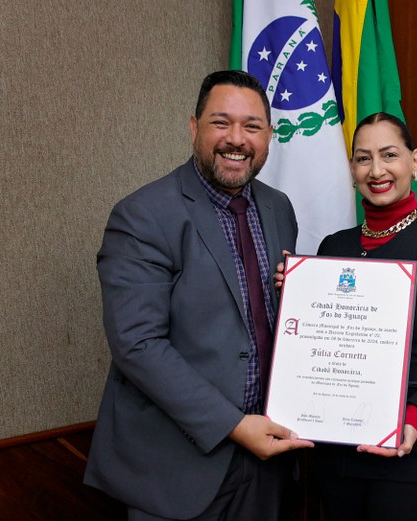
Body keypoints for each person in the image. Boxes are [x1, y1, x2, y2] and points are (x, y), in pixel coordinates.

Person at [84, 70, 313, 521]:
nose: (237, 139)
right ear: (194, 128)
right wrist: (232, 425)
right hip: (179, 466)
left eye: (252, 126)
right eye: (220, 122)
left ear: (269, 135)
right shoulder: (143, 215)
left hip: (270, 456)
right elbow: (138, 344)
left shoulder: (278, 207)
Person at [312, 112, 417, 521]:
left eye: (389, 155)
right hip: (335, 456)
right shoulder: (332, 248)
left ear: (416, 162)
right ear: (352, 169)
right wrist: (297, 289)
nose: (376, 171)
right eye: (362, 158)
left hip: (410, 452)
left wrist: (413, 413)